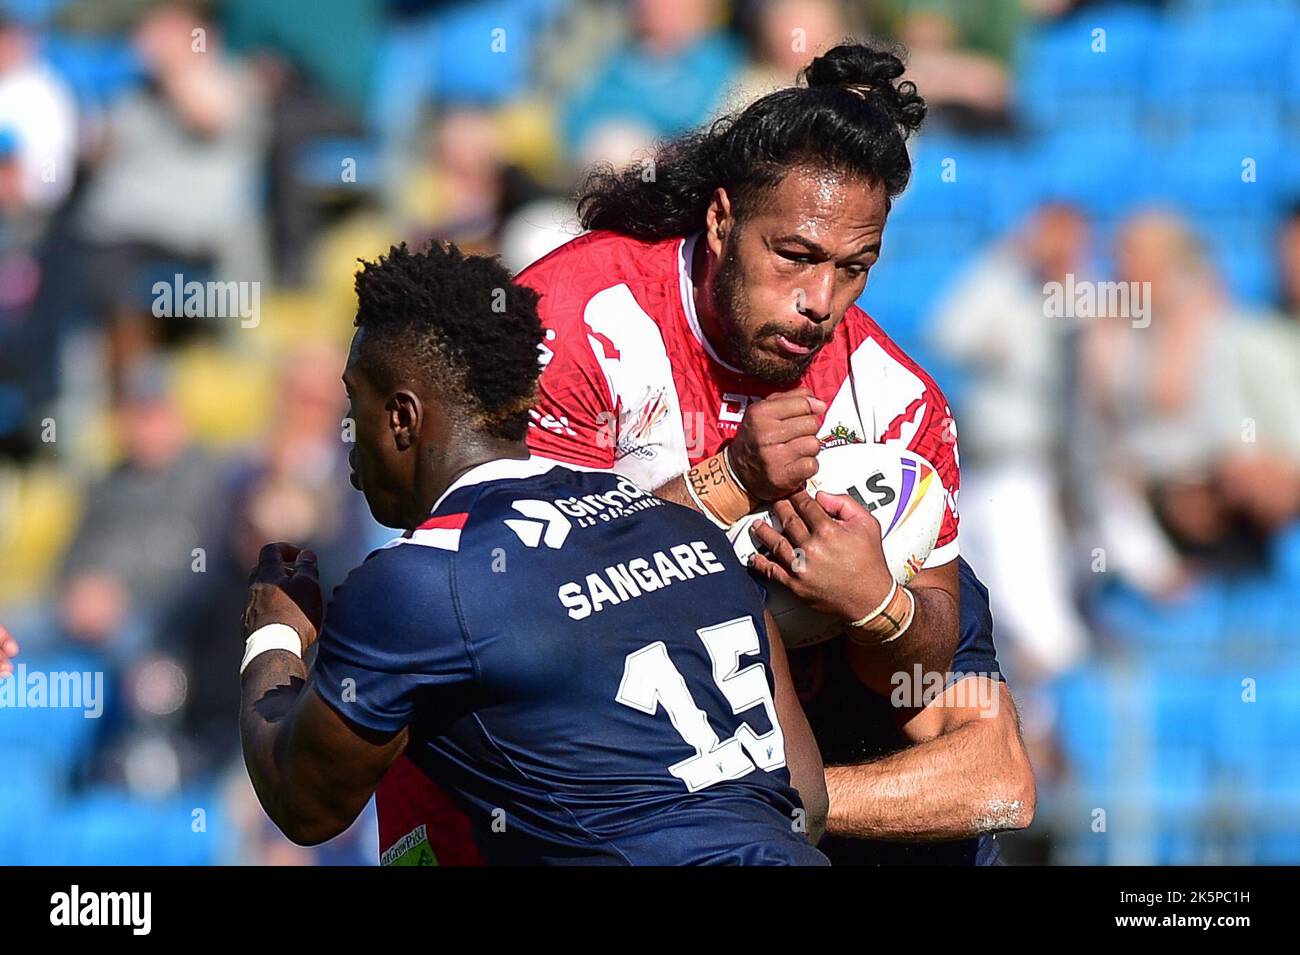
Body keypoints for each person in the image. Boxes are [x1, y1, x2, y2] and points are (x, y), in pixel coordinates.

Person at [378, 42, 1036, 865]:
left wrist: (879, 606)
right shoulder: (577, 324)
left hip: (731, 783)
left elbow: (975, 738)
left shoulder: (893, 403)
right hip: (523, 766)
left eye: (853, 268)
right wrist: (730, 482)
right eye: (794, 257)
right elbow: (511, 593)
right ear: (721, 221)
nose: (819, 301)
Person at [238, 241, 828, 864]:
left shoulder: (420, 582)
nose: (347, 437)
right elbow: (807, 802)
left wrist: (273, 636)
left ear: (403, 418)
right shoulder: (683, 531)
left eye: (354, 406)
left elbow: (304, 802)